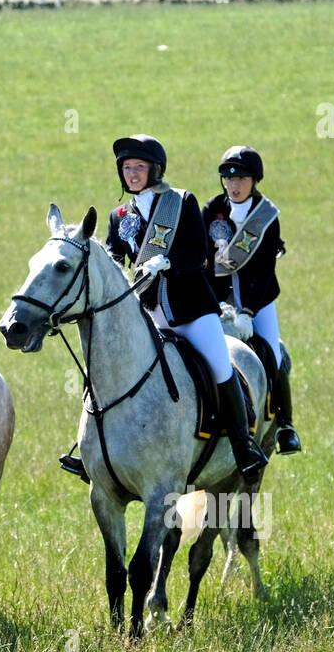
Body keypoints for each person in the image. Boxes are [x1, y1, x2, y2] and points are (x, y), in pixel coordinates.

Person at [104, 134, 268, 481]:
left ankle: (243, 445)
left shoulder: (181, 202)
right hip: (147, 313)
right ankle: (97, 451)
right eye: (127, 168)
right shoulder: (119, 216)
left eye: (139, 167)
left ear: (156, 170)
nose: (132, 174)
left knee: (221, 367)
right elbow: (112, 262)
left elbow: (198, 254)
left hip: (192, 311)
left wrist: (167, 262)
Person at [203, 146, 301, 454]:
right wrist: (213, 303)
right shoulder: (212, 210)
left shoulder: (267, 216)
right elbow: (205, 262)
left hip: (256, 300)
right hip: (218, 300)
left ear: (254, 180)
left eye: (241, 178)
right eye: (228, 178)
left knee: (272, 351)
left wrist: (247, 311)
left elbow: (263, 271)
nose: (234, 185)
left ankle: (285, 424)